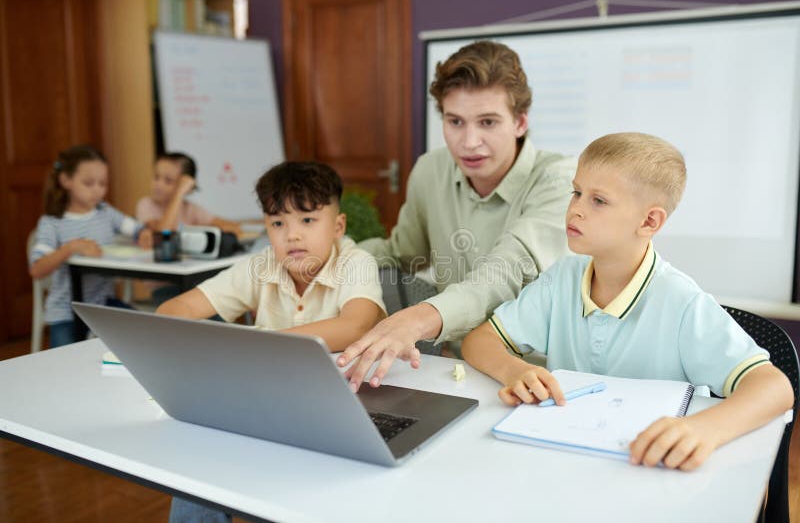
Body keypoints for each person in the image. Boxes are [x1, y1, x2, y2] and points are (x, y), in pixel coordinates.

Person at [461, 132, 793, 470]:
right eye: (576, 192)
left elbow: (776, 388)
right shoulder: (561, 279)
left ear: (649, 221)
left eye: (598, 201)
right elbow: (479, 341)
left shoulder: (682, 302)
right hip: (567, 460)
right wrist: (515, 369)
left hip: (649, 469)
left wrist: (704, 429)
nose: (575, 209)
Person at [338, 40, 576, 391]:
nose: (469, 142)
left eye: (488, 122)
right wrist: (330, 256)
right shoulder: (431, 169)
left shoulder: (560, 180)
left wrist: (419, 319)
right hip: (452, 369)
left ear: (520, 122)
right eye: (455, 121)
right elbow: (402, 250)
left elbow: (504, 274)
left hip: (534, 375)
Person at [158, 160, 387, 523]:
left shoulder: (356, 262)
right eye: (278, 223)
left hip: (343, 408)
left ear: (337, 226)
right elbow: (180, 306)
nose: (291, 235)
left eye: (308, 220)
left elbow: (355, 326)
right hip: (267, 401)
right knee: (198, 458)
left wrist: (264, 345)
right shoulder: (262, 265)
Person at [28, 145, 152, 348]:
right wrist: (71, 247)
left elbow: (136, 228)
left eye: (103, 184)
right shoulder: (52, 222)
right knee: (65, 365)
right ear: (66, 180)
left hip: (103, 304)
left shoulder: (105, 212)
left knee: (144, 333)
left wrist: (144, 234)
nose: (97, 190)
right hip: (66, 311)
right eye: (88, 183)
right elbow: (37, 269)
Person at [136, 152, 242, 236]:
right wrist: (178, 194)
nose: (158, 184)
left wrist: (199, 230)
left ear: (186, 187)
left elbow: (234, 227)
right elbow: (163, 233)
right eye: (156, 177)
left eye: (168, 180)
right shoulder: (146, 205)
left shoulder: (190, 209)